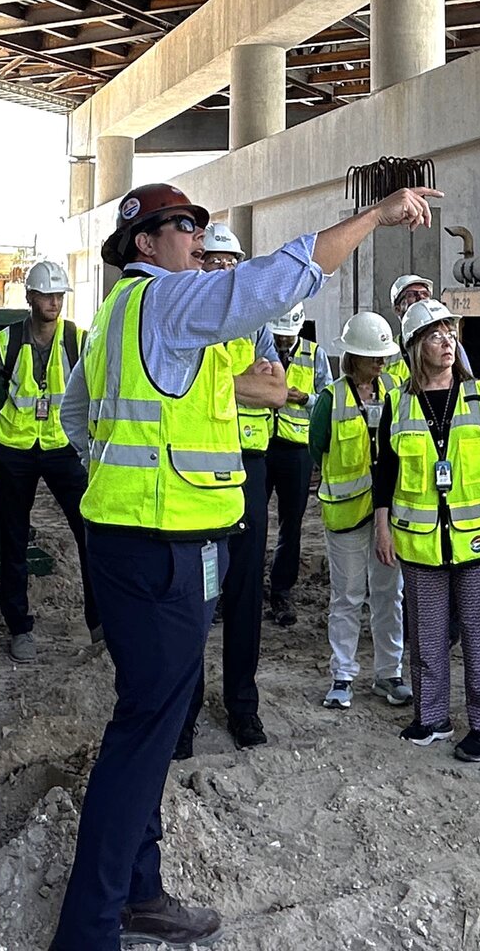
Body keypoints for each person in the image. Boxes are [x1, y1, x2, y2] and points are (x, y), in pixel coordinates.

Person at [49, 180, 437, 951]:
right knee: (142, 733)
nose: (196, 237)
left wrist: (130, 471)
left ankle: (141, 889)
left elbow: (76, 415)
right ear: (144, 245)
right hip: (161, 549)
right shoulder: (167, 300)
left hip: (140, 542)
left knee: (151, 722)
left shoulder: (114, 318)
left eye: (197, 226)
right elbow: (284, 274)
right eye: (182, 227)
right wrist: (375, 215)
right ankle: (87, 931)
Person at [373, 298, 480, 762]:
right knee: (427, 633)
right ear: (415, 347)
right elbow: (385, 472)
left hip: (477, 535)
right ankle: (431, 716)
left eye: (450, 334)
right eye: (435, 335)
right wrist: (382, 527)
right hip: (419, 540)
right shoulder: (399, 401)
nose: (447, 342)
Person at [180, 222, 281, 753]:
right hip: (196, 474)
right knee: (196, 598)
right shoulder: (187, 318)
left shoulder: (256, 322)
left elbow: (277, 390)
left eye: (230, 261)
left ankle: (243, 706)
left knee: (244, 595)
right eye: (212, 260)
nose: (222, 269)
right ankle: (186, 713)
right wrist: (246, 380)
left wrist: (233, 384)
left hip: (249, 468)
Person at [0, 259, 95, 661]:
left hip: (64, 450)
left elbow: (95, 390)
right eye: (47, 295)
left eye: (59, 295)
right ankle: (19, 625)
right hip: (16, 451)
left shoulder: (77, 340)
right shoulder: (6, 341)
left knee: (89, 533)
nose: (54, 302)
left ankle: (98, 624)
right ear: (30, 297)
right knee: (13, 539)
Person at [313, 312, 411, 710]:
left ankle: (389, 673)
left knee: (390, 593)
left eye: (383, 357)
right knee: (348, 595)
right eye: (374, 357)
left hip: (388, 514)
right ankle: (343, 675)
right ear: (352, 356)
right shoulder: (331, 398)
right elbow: (316, 445)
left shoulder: (395, 391)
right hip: (347, 515)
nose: (381, 364)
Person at [266, 304, 330, 627]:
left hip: (296, 451)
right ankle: (236, 589)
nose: (280, 342)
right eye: (277, 336)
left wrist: (306, 399)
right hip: (262, 445)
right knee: (247, 523)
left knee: (291, 526)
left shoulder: (314, 355)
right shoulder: (259, 345)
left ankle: (281, 591)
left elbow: (327, 400)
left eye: (285, 337)